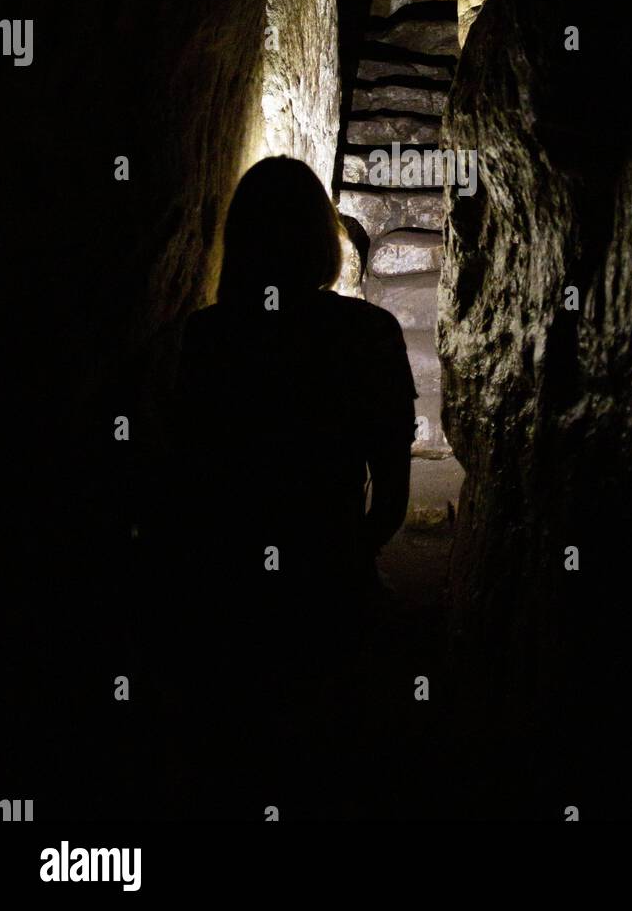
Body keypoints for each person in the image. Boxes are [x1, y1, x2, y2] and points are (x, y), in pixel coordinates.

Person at [157, 157, 417, 813]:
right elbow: (389, 496)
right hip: (326, 580)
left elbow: (183, 484)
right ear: (323, 242)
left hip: (222, 593)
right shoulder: (368, 334)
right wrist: (352, 557)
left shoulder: (208, 337)